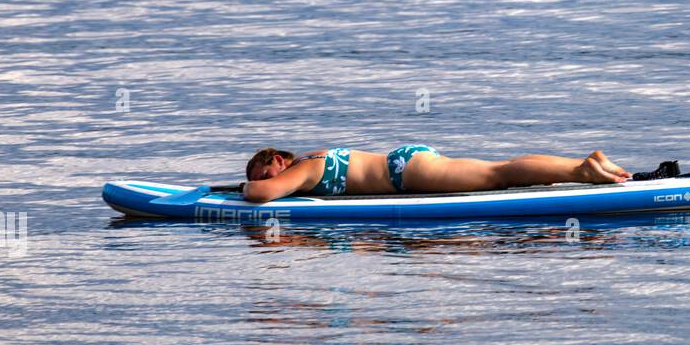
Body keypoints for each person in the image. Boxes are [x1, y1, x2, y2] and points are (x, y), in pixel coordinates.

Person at [243, 144, 631, 202]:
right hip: (408, 162)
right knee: (498, 171)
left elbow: (260, 197)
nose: (266, 181)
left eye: (263, 172)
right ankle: (586, 165)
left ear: (278, 160)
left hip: (405, 174)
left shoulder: (304, 167)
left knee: (500, 175)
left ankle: (584, 171)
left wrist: (247, 188)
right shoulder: (316, 157)